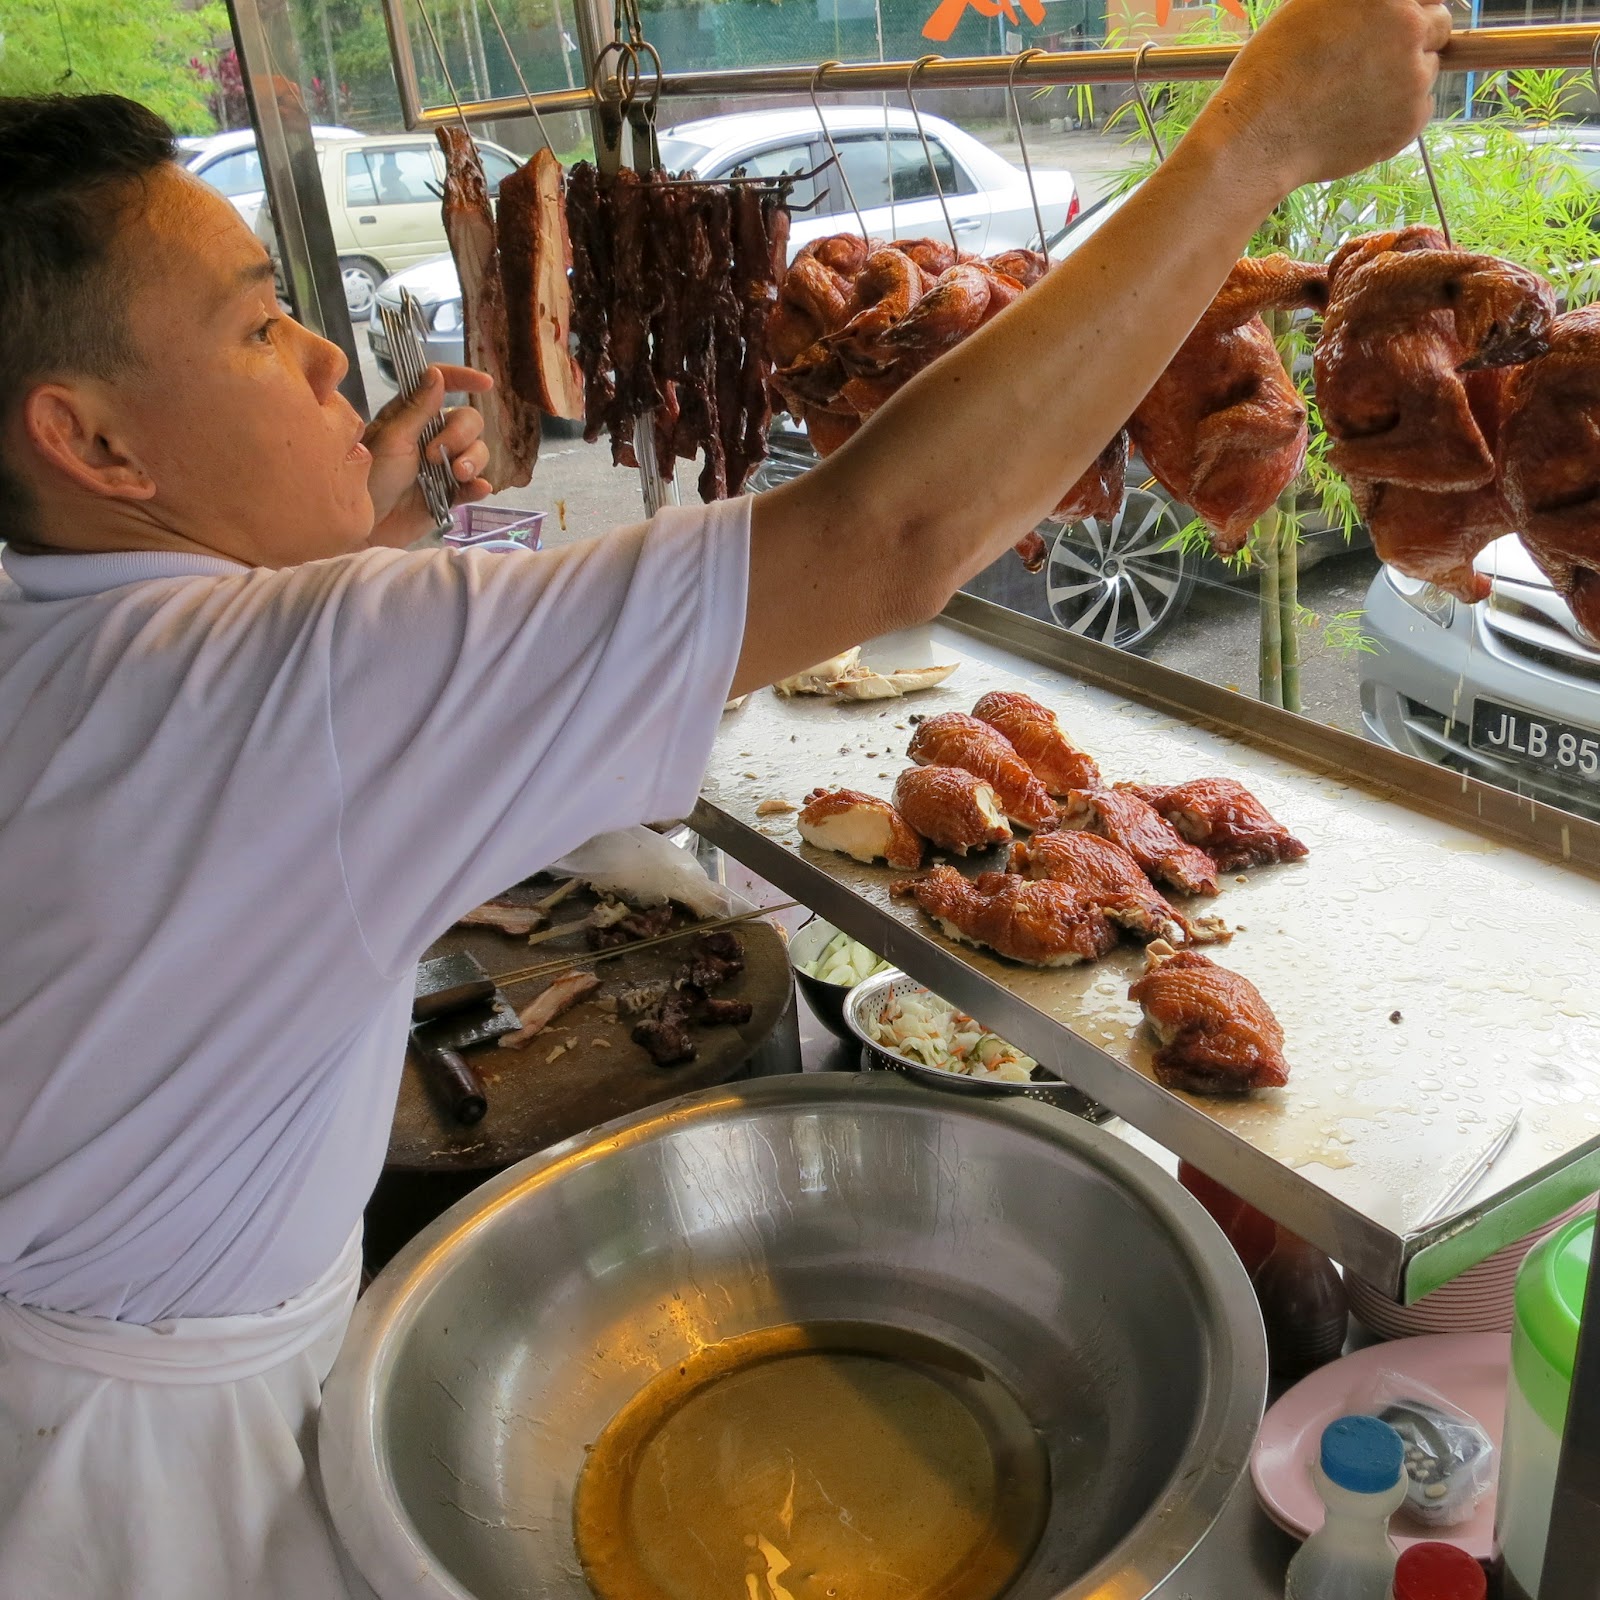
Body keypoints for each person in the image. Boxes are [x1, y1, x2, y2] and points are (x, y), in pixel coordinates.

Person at [0, 0, 1449, 1592]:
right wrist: (1255, 141)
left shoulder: (68, 640)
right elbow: (885, 534)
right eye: (261, 324)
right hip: (125, 1502)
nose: (329, 352)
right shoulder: (295, 680)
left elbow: (257, 736)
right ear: (89, 437)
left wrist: (369, 533)